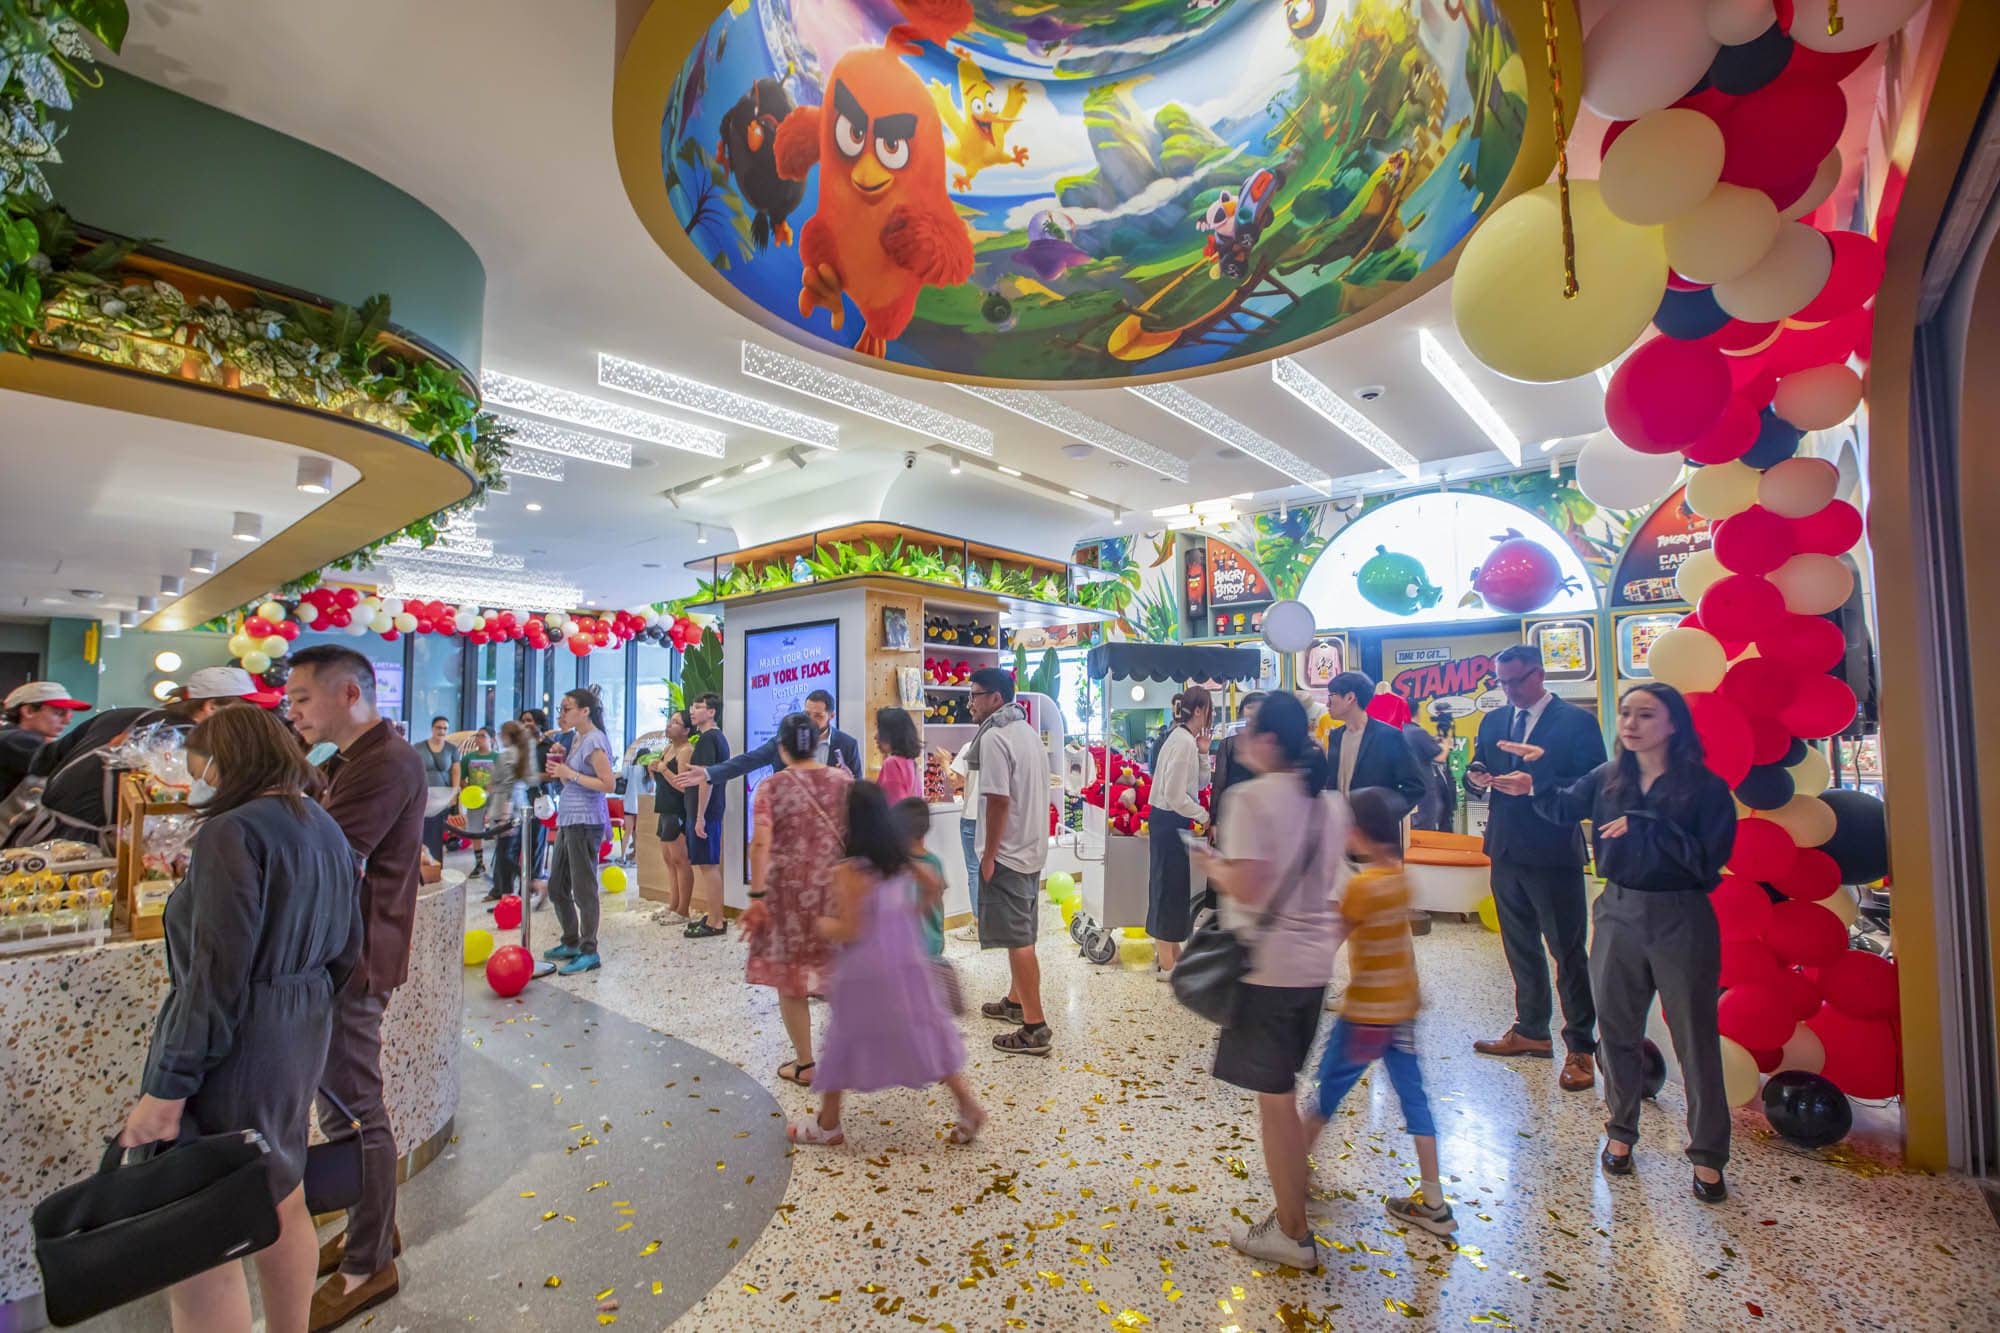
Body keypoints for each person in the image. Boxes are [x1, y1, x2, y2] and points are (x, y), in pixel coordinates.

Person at [118, 703, 360, 1333]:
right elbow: (347, 950)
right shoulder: (321, 824)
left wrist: (169, 1088)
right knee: (283, 1190)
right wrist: (298, 1002)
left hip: (240, 1040)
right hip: (299, 1028)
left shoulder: (233, 831)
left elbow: (215, 975)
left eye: (198, 766)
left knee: (203, 1230)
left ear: (224, 763)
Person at [1490, 682, 1738, 1202]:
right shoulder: (1607, 779)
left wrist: (1648, 826)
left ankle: (1708, 1155)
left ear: (1673, 725)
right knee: (1617, 1032)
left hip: (1680, 914)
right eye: (1625, 712)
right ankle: (1620, 1132)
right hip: (1617, 910)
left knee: (1694, 1036)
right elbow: (1561, 810)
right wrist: (1534, 780)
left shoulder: (1703, 787)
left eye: (1646, 715)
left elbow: (1708, 859)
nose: (1631, 723)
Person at [283, 645, 426, 1328]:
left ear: (347, 693)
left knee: (357, 1104)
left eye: (302, 699)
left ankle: (370, 1261)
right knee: (340, 1102)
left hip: (357, 953)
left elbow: (328, 857)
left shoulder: (387, 762)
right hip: (340, 952)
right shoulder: (347, 762)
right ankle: (374, 1225)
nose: (293, 711)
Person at [1185, 692, 1349, 1270]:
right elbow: (1338, 891)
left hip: (1266, 970)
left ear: (1270, 741)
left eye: (1251, 731)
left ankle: (1292, 1231)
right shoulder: (1330, 805)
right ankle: (1292, 1215)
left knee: (1275, 1102)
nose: (1244, 742)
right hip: (1312, 969)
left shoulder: (1248, 799)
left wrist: (1210, 865)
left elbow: (1250, 887)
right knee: (1282, 1092)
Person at [788, 780, 984, 1147]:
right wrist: (907, 916)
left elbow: (851, 928)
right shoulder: (899, 864)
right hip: (906, 963)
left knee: (843, 1042)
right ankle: (969, 1107)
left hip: (865, 973)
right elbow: (934, 887)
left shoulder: (849, 870)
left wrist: (812, 921)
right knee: (927, 1037)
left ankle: (828, 1124)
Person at [1301, 787, 1455, 1238]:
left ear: (1358, 831)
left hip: (1364, 1015)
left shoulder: (1362, 888)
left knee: (1326, 1093)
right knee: (1415, 1099)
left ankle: (1293, 1175)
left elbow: (1332, 941)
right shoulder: (1399, 879)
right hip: (1403, 1012)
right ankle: (1434, 1202)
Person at [1465, 643, 1609, 1092]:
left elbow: (1596, 785)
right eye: (1501, 682)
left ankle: (1581, 1046)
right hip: (1505, 848)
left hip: (1552, 851)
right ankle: (1531, 1029)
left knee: (1566, 951)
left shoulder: (1576, 723)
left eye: (1516, 681)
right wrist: (1475, 775)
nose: (1509, 690)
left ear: (1539, 674)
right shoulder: (1493, 720)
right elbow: (1480, 762)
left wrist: (1537, 784)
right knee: (1518, 943)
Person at [9, 666, 278, 849]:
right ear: (211, 707)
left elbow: (45, 760)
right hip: (87, 851)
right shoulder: (192, 744)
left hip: (30, 835)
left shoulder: (117, 715)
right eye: (245, 710)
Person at [744, 711, 850, 1087]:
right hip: (834, 890)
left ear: (781, 747)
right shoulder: (843, 782)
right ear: (819, 744)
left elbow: (761, 843)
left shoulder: (771, 787)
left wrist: (756, 895)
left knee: (791, 979)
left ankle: (806, 1064)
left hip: (786, 895)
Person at [968, 667, 1054, 1057]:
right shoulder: (1027, 732)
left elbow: (998, 801)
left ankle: (1034, 1026)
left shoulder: (995, 738)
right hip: (1031, 848)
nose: (970, 702)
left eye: (975, 695)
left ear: (995, 699)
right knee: (1022, 932)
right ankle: (1016, 1001)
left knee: (1019, 940)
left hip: (1008, 853)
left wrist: (989, 855)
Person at [543, 686, 617, 974]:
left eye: (567, 708)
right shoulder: (577, 738)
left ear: (584, 711)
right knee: (557, 887)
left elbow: (607, 785)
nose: (562, 714)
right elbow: (571, 783)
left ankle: (589, 949)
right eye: (561, 708)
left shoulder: (595, 740)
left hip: (585, 821)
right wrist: (562, 766)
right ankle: (571, 940)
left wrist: (569, 773)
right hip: (568, 819)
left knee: (583, 889)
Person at [1147, 685, 1211, 977]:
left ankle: (1173, 953)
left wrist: (1204, 754)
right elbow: (1175, 795)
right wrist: (1203, 816)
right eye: (1208, 709)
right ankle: (1166, 960)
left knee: (1175, 887)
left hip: (1172, 819)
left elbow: (1197, 785)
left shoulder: (1185, 740)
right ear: (1198, 710)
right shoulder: (1181, 741)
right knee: (1167, 888)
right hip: (1169, 818)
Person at [1321, 672, 1427, 814]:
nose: (1327, 703)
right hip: (1339, 827)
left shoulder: (1389, 736)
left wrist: (1386, 815)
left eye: (1331, 696)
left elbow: (1415, 787)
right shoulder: (1336, 736)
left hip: (1373, 831)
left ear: (1350, 698)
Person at [683, 692, 730, 938]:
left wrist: (700, 816)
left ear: (711, 711)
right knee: (707, 864)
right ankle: (714, 915)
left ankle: (716, 921)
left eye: (699, 706)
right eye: (692, 706)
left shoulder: (709, 740)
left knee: (709, 866)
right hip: (706, 812)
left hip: (707, 812)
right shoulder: (710, 738)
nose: (693, 710)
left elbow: (706, 780)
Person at [1365, 692, 1448, 832]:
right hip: (1423, 788)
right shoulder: (1417, 733)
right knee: (1424, 828)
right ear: (1417, 712)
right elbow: (1440, 757)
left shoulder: (1393, 732)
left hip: (1400, 789)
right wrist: (1446, 744)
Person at [0, 680, 89, 806]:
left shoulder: (10, 734)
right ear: (29, 711)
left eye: (69, 715)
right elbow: (72, 770)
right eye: (59, 713)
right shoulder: (18, 740)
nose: (66, 721)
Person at [647, 710, 696, 921]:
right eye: (670, 721)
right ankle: (673, 904)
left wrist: (664, 770)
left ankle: (683, 910)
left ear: (686, 730)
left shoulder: (686, 751)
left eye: (675, 722)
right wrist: (654, 769)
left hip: (678, 810)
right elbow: (662, 780)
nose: (669, 725)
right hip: (664, 809)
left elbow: (684, 786)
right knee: (668, 860)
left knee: (680, 860)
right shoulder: (668, 749)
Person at [485, 721, 532, 904]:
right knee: (507, 854)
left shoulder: (505, 756)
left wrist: (504, 815)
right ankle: (509, 897)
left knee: (505, 856)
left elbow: (506, 786)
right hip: (520, 809)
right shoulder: (524, 754)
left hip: (505, 810)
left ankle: (530, 884)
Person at [894, 797, 947, 958]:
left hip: (910, 948)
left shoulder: (898, 866)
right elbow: (939, 895)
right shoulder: (934, 862)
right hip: (934, 942)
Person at [1208, 690, 1264, 826]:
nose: (1253, 712)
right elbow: (1218, 785)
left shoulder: (1270, 744)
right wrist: (1214, 821)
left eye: (1259, 707)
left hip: (1262, 813)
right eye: (1250, 707)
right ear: (1242, 711)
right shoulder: (1228, 744)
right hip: (1234, 812)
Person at [414, 716, 460, 864]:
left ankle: (436, 864)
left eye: (445, 728)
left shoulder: (451, 749)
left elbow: (455, 771)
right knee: (422, 830)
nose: (442, 731)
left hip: (443, 797)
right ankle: (422, 862)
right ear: (432, 729)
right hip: (424, 796)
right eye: (439, 727)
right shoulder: (419, 747)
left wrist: (454, 793)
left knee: (437, 832)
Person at [457, 728, 497, 879]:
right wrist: (467, 788)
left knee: (497, 829)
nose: (479, 739)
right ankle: (479, 863)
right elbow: (461, 777)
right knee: (475, 830)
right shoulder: (469, 758)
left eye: (483, 736)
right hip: (475, 800)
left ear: (492, 740)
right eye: (477, 736)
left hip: (493, 800)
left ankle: (498, 862)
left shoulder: (497, 758)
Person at [874, 706, 922, 804]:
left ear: (891, 734)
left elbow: (894, 806)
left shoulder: (892, 763)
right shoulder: (911, 763)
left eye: (879, 730)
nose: (876, 736)